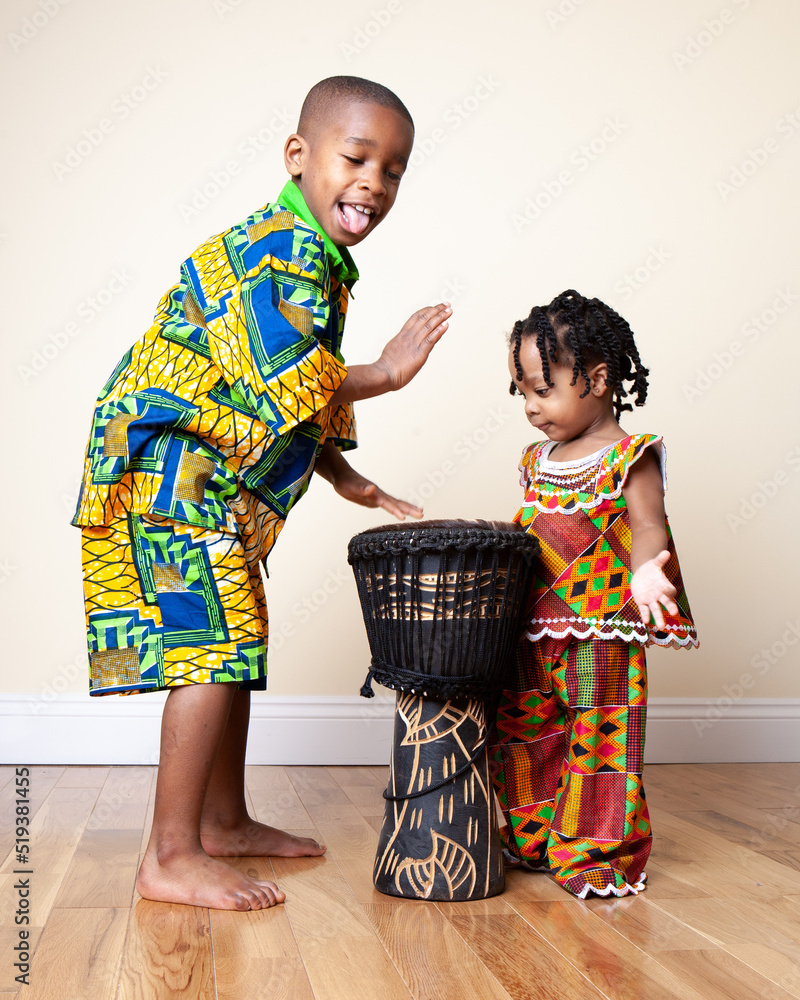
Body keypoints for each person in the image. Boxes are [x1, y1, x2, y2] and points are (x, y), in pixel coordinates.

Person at [72, 76, 451, 911]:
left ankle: (221, 822)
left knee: (234, 641)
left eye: (392, 171)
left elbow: (281, 392)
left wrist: (345, 475)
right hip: (168, 466)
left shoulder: (316, 258)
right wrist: (387, 371)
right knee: (211, 646)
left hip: (199, 470)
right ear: (298, 156)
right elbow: (284, 375)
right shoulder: (278, 248)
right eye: (357, 159)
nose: (374, 184)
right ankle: (170, 855)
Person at [491, 289, 697, 899]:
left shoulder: (630, 456)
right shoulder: (537, 459)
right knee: (524, 730)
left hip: (601, 630)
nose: (531, 407)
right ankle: (535, 835)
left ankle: (596, 850)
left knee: (601, 736)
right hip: (531, 628)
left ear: (599, 379)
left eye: (542, 388)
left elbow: (649, 523)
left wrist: (648, 569)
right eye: (522, 393)